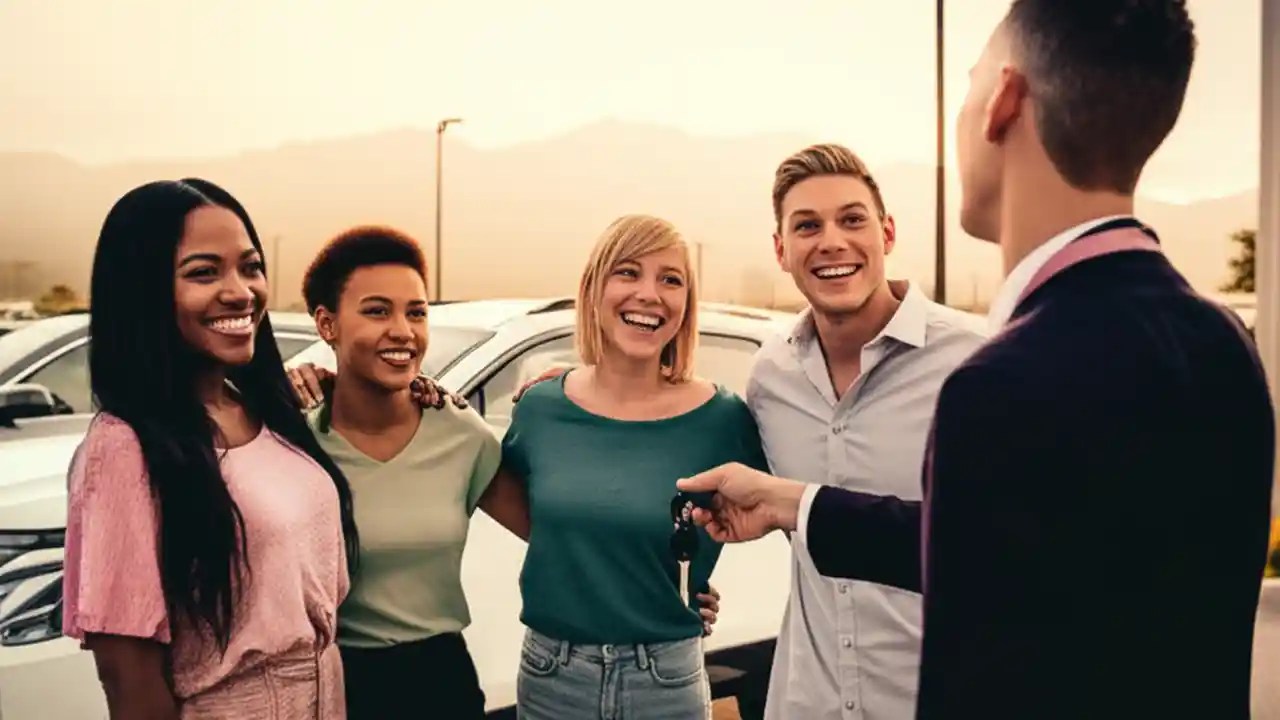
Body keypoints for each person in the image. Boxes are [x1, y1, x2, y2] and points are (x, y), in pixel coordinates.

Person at [678, 2, 1276, 719]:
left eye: (967, 86)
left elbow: (983, 621)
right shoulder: (1223, 345)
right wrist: (787, 503)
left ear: (1003, 101)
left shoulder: (997, 377)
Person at [62, 179, 358, 719]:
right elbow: (129, 678)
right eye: (203, 273)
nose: (241, 291)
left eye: (251, 267)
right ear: (142, 291)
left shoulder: (269, 412)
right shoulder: (123, 449)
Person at [503, 214, 767, 719]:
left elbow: (797, 506)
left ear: (686, 304)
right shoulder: (540, 409)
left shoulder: (724, 419)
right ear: (593, 288)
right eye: (628, 272)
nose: (649, 294)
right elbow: (535, 516)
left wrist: (678, 587)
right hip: (551, 677)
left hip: (665, 681)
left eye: (671, 279)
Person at [292, 226, 530, 719]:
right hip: (331, 685)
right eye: (377, 311)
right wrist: (275, 390)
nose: (403, 330)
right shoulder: (294, 441)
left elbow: (557, 534)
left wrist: (569, 392)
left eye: (416, 312)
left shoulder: (460, 433)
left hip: (440, 684)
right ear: (327, 324)